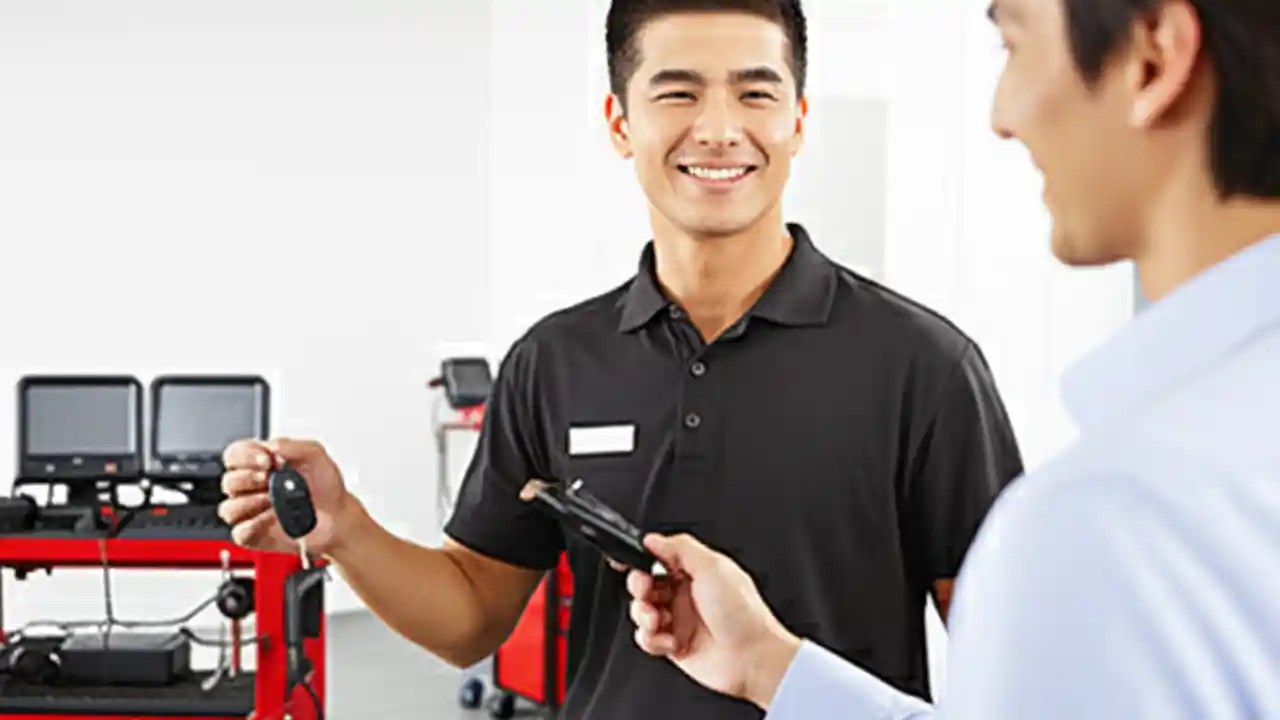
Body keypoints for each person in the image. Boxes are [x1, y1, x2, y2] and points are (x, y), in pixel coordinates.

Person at [218, 1, 1023, 717]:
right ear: (619, 122)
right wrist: (345, 529)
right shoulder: (554, 361)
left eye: (756, 92)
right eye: (678, 92)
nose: (717, 127)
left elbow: (1012, 666)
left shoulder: (926, 368)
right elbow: (471, 616)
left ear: (799, 119)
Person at [624, 0, 1280, 717]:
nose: (1003, 114)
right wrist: (769, 666)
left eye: (1016, 45)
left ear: (1153, 59)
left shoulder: (1109, 524)